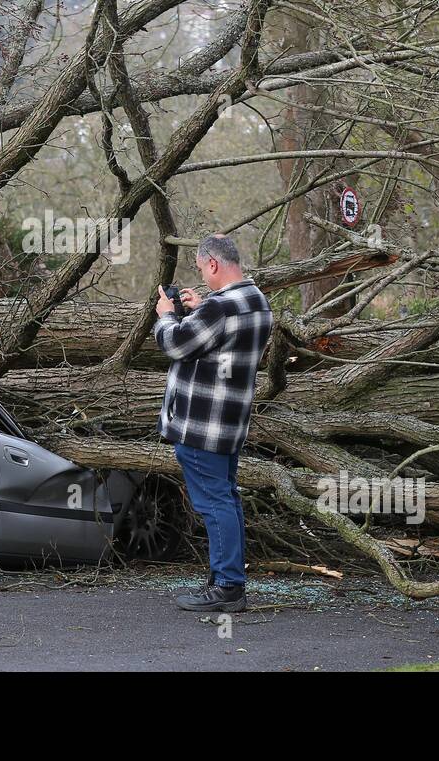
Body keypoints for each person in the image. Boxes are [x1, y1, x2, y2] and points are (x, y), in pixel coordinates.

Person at [154, 233, 272, 612]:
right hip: (231, 421)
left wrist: (167, 315)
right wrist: (202, 307)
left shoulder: (219, 309)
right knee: (227, 498)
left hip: (200, 425)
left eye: (203, 268)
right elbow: (223, 338)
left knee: (213, 502)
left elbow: (175, 344)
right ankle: (228, 579)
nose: (203, 275)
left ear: (214, 264)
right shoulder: (255, 300)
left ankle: (227, 587)